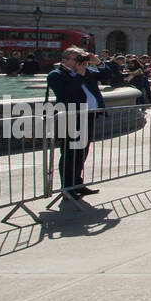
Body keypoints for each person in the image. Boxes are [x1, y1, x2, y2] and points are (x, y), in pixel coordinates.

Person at [46, 47, 107, 198]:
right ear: (65, 60)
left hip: (88, 116)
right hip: (70, 118)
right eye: (76, 59)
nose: (79, 62)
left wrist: (98, 62)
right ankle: (67, 187)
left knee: (82, 152)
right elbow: (66, 94)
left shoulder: (86, 71)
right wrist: (79, 75)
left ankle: (77, 183)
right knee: (69, 153)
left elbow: (108, 76)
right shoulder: (56, 74)